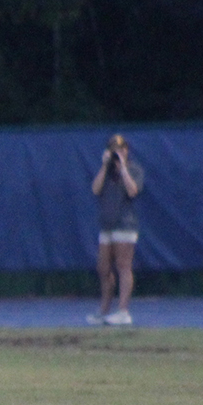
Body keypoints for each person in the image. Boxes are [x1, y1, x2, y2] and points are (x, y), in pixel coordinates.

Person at [89, 134, 144, 326]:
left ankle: (123, 311)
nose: (119, 152)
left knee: (123, 265)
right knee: (103, 268)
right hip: (107, 225)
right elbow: (95, 189)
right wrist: (105, 166)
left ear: (127, 150)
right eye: (115, 149)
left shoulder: (134, 169)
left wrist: (123, 170)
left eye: (122, 149)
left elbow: (133, 191)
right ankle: (104, 310)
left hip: (125, 225)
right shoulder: (106, 171)